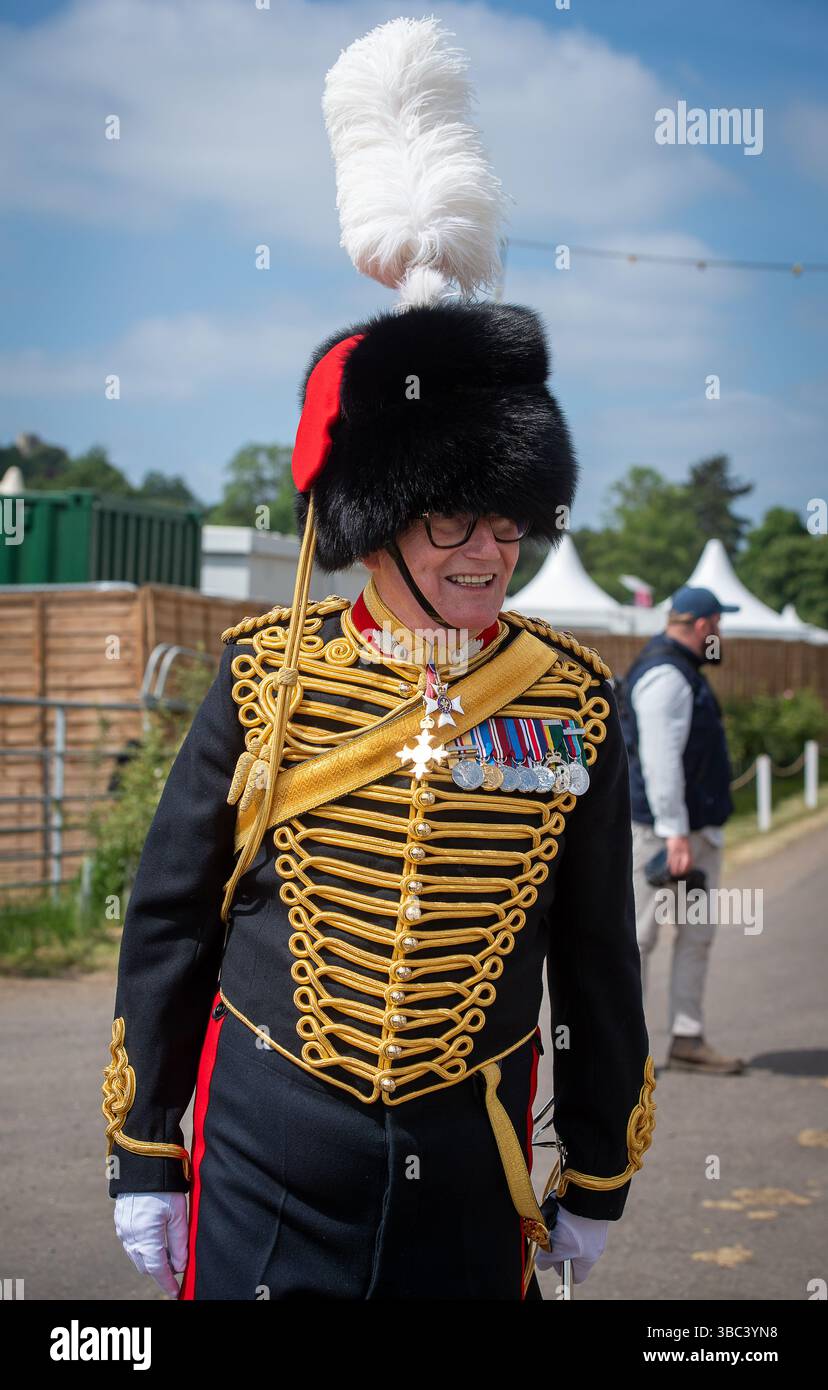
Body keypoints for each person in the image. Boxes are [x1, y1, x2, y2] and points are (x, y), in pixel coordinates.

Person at [101, 15, 656, 1301]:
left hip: (473, 1162)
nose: (486, 554)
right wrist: (145, 1152)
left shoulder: (572, 699)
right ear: (373, 525)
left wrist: (600, 1171)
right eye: (452, 519)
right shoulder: (258, 676)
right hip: (264, 1153)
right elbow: (172, 920)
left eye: (506, 522)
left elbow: (594, 955)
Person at [620, 585, 745, 1075]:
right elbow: (659, 760)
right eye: (718, 624)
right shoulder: (668, 675)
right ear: (703, 624)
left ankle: (687, 1038)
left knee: (695, 936)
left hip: (683, 832)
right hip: (667, 835)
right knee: (643, 938)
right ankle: (628, 1048)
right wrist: (675, 833)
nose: (721, 634)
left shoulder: (677, 670)